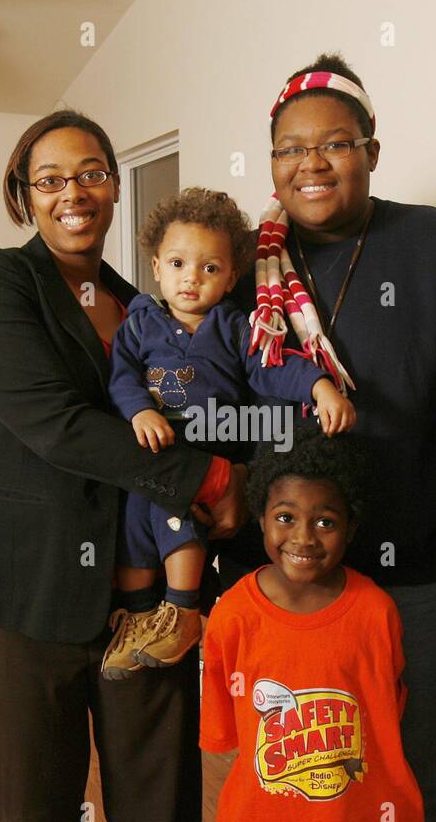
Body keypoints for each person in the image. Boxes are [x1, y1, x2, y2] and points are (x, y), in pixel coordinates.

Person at [0, 111, 250, 822]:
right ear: (23, 193)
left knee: (161, 819)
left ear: (113, 185)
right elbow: (54, 424)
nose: (73, 192)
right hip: (22, 600)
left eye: (92, 173)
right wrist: (210, 474)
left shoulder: (149, 307)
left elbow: (208, 409)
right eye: (50, 179)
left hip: (148, 603)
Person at [219, 52, 436, 822]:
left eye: (334, 143)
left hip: (419, 567)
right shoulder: (246, 263)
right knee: (300, 767)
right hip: (293, 575)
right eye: (291, 149)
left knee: (418, 765)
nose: (311, 163)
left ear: (371, 148)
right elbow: (207, 392)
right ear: (272, 164)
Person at [103, 188, 354, 679]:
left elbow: (273, 367)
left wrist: (320, 385)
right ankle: (138, 616)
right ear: (156, 266)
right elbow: (121, 379)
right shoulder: (140, 324)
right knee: (132, 521)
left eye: (209, 268)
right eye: (177, 264)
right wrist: (138, 413)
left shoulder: (234, 327)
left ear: (232, 277)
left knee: (178, 517)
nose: (191, 278)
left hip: (207, 452)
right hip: (153, 449)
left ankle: (182, 610)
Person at [201, 427, 424, 822]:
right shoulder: (233, 614)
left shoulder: (376, 612)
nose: (303, 537)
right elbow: (225, 726)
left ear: (350, 527)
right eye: (285, 517)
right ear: (260, 518)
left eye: (325, 522)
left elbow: (383, 714)